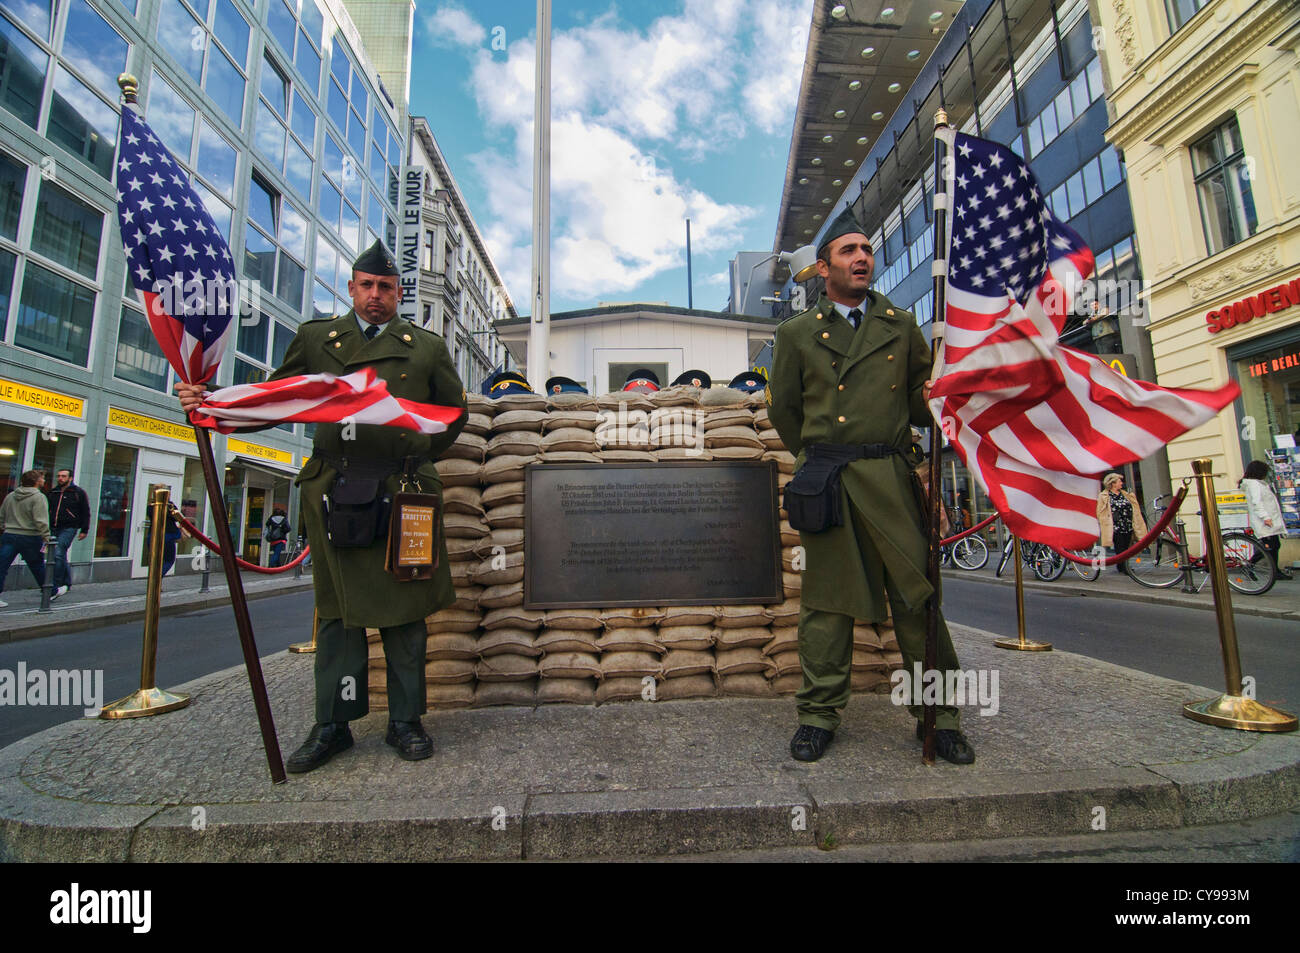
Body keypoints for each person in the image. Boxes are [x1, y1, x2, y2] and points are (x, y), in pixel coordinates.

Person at [177, 239, 467, 772]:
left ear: (398, 293)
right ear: (351, 288)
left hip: (403, 494)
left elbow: (452, 414)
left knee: (405, 615)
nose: (375, 295)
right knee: (337, 612)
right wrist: (211, 402)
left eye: (384, 287)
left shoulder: (424, 347)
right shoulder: (317, 338)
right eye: (366, 286)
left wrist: (413, 455)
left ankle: (405, 720)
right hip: (335, 490)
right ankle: (333, 723)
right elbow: (275, 394)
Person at [767, 205, 975, 765]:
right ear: (824, 268)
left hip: (890, 476)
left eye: (866, 249)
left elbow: (915, 403)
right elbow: (785, 411)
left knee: (917, 598)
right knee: (827, 605)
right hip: (830, 482)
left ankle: (940, 716)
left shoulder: (901, 325)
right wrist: (816, 460)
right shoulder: (796, 335)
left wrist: (938, 394)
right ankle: (817, 716)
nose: (862, 257)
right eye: (848, 251)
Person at [0, 470, 50, 608]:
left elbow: (2, 515)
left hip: (9, 535)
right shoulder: (38, 497)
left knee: (2, 566)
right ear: (37, 482)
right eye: (42, 478)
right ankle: (50, 591)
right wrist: (46, 536)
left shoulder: (11, 496)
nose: (44, 481)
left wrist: (4, 528)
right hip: (30, 537)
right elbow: (41, 520)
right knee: (37, 566)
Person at [1240, 460, 1292, 580]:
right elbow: (1256, 502)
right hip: (1265, 522)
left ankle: (1275, 571)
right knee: (1267, 547)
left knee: (1274, 545)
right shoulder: (1254, 484)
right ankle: (1248, 566)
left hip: (1269, 521)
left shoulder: (1259, 483)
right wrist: (1265, 517)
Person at [46, 467, 90, 600]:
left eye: (63, 476)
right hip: (53, 527)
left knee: (58, 552)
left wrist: (84, 529)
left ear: (70, 478)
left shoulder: (78, 492)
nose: (60, 478)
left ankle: (55, 585)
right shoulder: (53, 492)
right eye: (59, 476)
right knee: (59, 555)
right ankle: (67, 583)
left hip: (69, 527)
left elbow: (85, 512)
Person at [1097, 472, 1146, 574]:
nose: (1121, 483)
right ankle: (1124, 568)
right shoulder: (1104, 496)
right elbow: (1100, 512)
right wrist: (1105, 521)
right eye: (1119, 481)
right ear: (1113, 483)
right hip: (1115, 526)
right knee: (1120, 547)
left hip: (1127, 524)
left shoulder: (1125, 494)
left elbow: (1133, 507)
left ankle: (1122, 565)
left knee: (1127, 547)